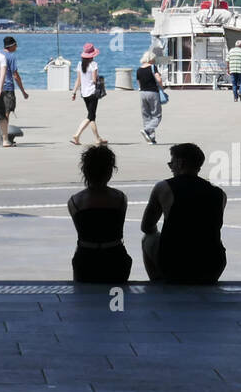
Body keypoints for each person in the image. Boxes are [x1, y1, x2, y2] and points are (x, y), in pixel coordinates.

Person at [140, 143, 228, 284]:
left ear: (180, 163)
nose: (171, 168)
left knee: (148, 238)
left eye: (171, 163)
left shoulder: (164, 187)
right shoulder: (219, 194)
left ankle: (157, 282)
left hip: (175, 266)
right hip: (211, 267)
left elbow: (146, 226)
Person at [67, 144, 132, 284]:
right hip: (115, 258)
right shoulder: (120, 199)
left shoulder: (75, 201)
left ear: (85, 171)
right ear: (109, 171)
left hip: (86, 259)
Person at [70, 42, 108, 146]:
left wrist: (74, 92)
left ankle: (97, 138)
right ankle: (78, 135)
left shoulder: (79, 64)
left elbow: (78, 80)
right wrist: (101, 80)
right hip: (92, 93)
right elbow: (94, 80)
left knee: (91, 116)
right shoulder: (94, 65)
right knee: (91, 116)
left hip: (84, 93)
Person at [0, 35, 29, 145]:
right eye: (15, 45)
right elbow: (15, 75)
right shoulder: (11, 57)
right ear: (11, 46)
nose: (16, 47)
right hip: (7, 87)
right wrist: (23, 91)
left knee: (1, 112)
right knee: (6, 112)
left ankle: (2, 134)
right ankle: (4, 137)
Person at [136, 50, 164, 144]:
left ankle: (151, 138)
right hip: (153, 93)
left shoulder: (139, 69)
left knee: (146, 116)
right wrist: (162, 86)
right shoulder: (153, 67)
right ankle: (147, 130)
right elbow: (159, 79)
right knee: (157, 115)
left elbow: (138, 83)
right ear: (151, 59)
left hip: (142, 93)